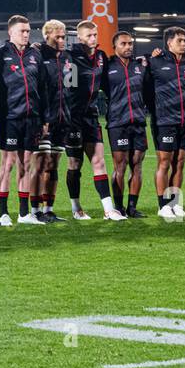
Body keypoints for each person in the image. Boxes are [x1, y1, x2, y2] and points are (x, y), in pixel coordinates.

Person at [65, 20, 124, 220]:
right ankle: (76, 208)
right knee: (75, 164)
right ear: (79, 37)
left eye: (95, 35)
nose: (93, 38)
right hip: (73, 118)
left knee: (98, 161)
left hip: (91, 116)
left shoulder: (100, 57)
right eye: (88, 35)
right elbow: (68, 88)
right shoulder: (71, 58)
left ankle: (109, 210)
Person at [0, 15, 46, 225]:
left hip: (31, 117)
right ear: (10, 32)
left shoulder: (35, 55)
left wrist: (44, 116)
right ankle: (3, 213)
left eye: (28, 31)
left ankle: (24, 214)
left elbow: (43, 87)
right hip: (9, 118)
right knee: (8, 164)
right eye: (22, 31)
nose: (26, 34)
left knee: (26, 165)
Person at [145, 26, 185, 218]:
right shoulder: (155, 62)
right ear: (169, 42)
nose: (183, 44)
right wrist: (156, 110)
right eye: (179, 41)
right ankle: (163, 205)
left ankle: (175, 203)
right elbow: (146, 89)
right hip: (164, 121)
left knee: (180, 163)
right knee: (164, 163)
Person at [102, 30, 150, 218]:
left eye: (130, 43)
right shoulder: (107, 67)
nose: (128, 47)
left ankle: (132, 207)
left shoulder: (140, 67)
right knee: (119, 167)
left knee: (137, 165)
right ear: (115, 47)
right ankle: (119, 207)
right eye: (123, 44)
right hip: (117, 123)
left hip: (138, 122)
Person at [33, 20, 72, 222]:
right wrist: (42, 118)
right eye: (57, 37)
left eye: (63, 36)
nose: (62, 40)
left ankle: (49, 209)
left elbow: (70, 88)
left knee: (54, 164)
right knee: (41, 164)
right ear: (46, 36)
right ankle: (34, 210)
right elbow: (37, 90)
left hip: (63, 119)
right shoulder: (38, 56)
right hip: (45, 120)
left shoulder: (67, 58)